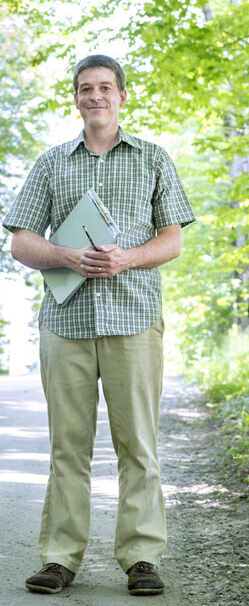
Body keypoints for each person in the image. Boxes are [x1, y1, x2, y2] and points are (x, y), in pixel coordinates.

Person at [2, 54, 195, 597]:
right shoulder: (50, 163)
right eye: (86, 88)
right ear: (76, 98)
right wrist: (65, 255)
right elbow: (20, 240)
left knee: (138, 445)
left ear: (122, 96)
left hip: (134, 320)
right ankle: (60, 558)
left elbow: (173, 239)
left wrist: (124, 259)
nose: (96, 96)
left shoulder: (154, 158)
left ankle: (142, 559)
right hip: (66, 324)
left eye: (105, 87)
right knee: (69, 447)